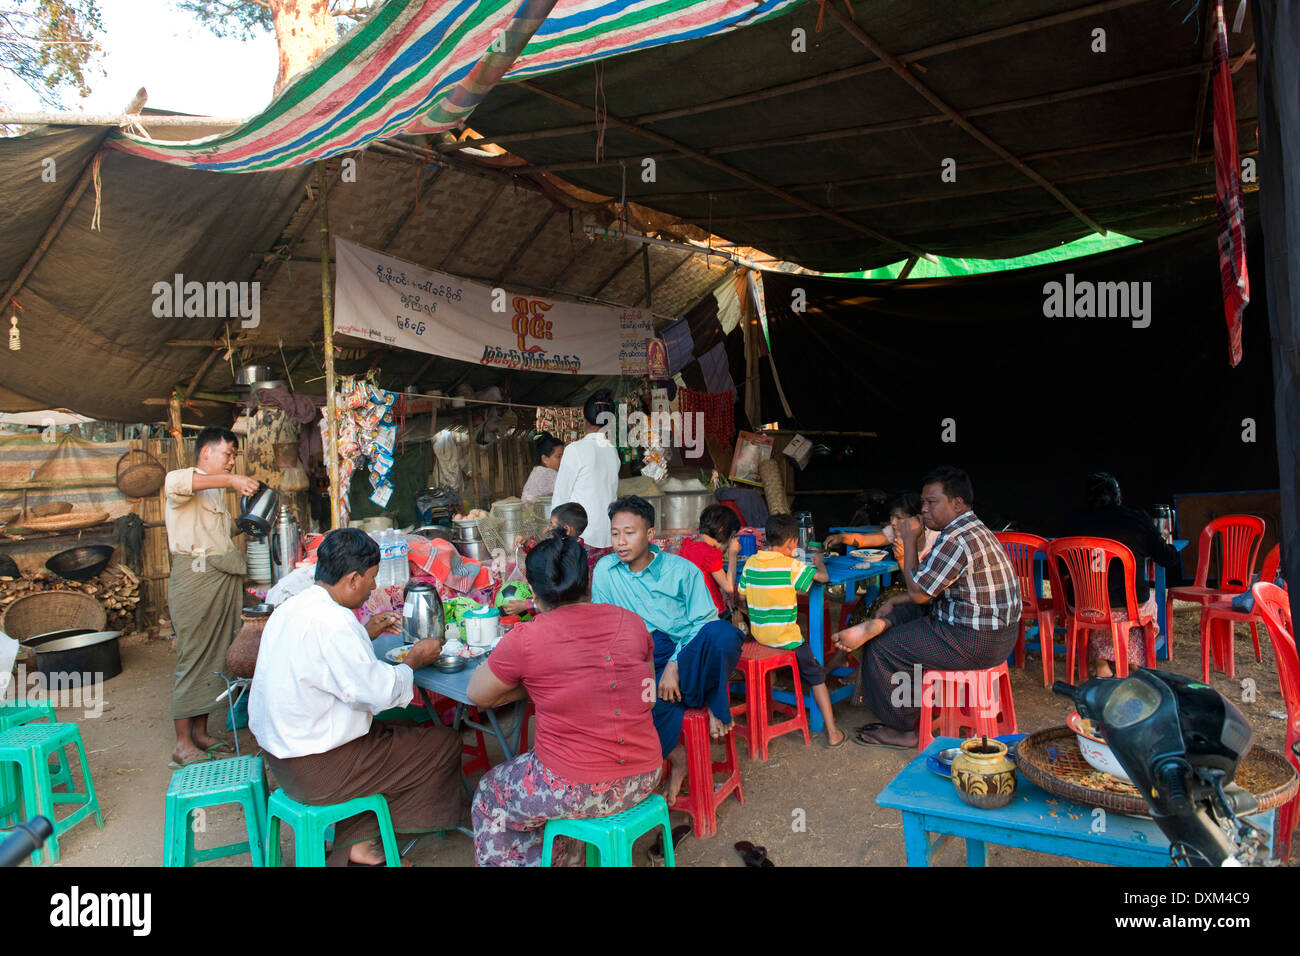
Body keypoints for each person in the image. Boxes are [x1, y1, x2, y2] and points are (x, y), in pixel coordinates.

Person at [248, 529, 461, 866]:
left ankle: (358, 843)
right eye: (371, 579)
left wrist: (366, 632)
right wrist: (416, 658)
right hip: (316, 769)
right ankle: (369, 846)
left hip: (281, 758)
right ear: (351, 579)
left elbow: (320, 664)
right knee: (441, 744)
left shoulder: (295, 607)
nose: (374, 588)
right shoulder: (335, 623)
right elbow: (379, 694)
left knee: (395, 733)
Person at [468, 531, 662, 866]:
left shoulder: (527, 637)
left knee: (490, 792)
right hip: (645, 776)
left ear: (532, 591)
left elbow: (478, 694)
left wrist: (537, 683)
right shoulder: (632, 623)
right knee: (548, 780)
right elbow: (649, 697)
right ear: (587, 582)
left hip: (576, 788)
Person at [833, 467, 1021, 749]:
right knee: (907, 607)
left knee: (883, 650)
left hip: (976, 640)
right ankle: (875, 625)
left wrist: (908, 540)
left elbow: (919, 592)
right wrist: (901, 598)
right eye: (923, 503)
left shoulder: (957, 539)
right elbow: (928, 587)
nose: (924, 510)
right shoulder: (970, 529)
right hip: (996, 635)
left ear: (957, 503)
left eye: (931, 502)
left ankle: (909, 730)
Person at [591, 496, 745, 805]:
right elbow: (605, 626)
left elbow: (703, 622)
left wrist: (674, 664)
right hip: (638, 660)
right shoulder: (606, 571)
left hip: (682, 653)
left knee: (725, 634)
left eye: (629, 533)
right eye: (615, 533)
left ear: (649, 535)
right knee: (637, 703)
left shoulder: (681, 571)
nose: (621, 542)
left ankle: (709, 703)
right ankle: (677, 758)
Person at [163, 426, 260, 768]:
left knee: (217, 653)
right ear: (205, 453)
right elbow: (183, 485)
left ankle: (201, 734)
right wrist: (232, 482)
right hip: (196, 578)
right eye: (228, 453)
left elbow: (216, 532)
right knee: (194, 654)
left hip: (219, 576)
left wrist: (246, 523)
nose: (232, 461)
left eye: (234, 456)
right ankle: (181, 743)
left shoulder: (215, 495)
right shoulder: (179, 479)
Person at [1059, 472, 1182, 678]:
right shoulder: (1138, 520)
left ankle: (1101, 663)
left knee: (1098, 603)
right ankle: (1131, 661)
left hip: (1084, 608)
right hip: (1128, 608)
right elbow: (1168, 558)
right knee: (1141, 604)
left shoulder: (1073, 524)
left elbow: (1063, 571)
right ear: (1118, 497)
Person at [740, 513, 845, 747]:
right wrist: (818, 561)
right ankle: (833, 732)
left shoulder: (750, 563)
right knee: (817, 678)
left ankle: (775, 691)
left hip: (759, 636)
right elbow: (823, 578)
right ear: (791, 544)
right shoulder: (791, 565)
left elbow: (741, 595)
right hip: (787, 641)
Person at [552, 389, 620, 549]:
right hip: (609, 535)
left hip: (582, 536)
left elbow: (561, 496)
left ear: (583, 416)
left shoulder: (575, 449)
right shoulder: (611, 449)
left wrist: (554, 533)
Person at [825, 491, 939, 566]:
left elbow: (920, 591)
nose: (893, 523)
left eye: (899, 518)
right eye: (892, 516)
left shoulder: (937, 539)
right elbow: (864, 540)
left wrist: (903, 559)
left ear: (918, 518)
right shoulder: (895, 532)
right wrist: (841, 537)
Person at [678, 503, 742, 616]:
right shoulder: (710, 553)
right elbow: (729, 587)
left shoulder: (687, 545)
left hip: (691, 611)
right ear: (723, 531)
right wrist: (733, 554)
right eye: (731, 536)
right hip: (712, 613)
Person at [520, 432, 564, 502]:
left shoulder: (537, 471)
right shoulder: (549, 473)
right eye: (559, 456)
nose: (563, 459)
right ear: (545, 459)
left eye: (564, 455)